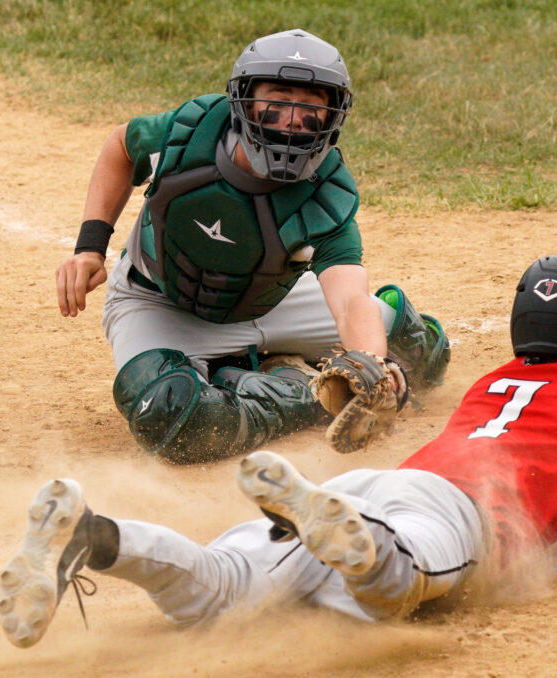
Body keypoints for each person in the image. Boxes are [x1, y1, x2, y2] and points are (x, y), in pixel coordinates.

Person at [0, 255, 557, 648]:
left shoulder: (496, 382)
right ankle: (357, 542)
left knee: (217, 592)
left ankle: (98, 535)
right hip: (447, 519)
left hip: (381, 484)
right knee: (399, 588)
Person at [54, 29, 450, 464]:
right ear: (244, 102)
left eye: (311, 104)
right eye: (279, 99)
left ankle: (257, 378)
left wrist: (372, 367)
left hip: (273, 304)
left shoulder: (326, 193)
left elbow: (350, 298)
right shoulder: (191, 133)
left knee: (419, 352)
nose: (294, 117)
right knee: (171, 417)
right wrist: (90, 246)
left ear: (333, 114)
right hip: (160, 303)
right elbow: (122, 146)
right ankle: (301, 392)